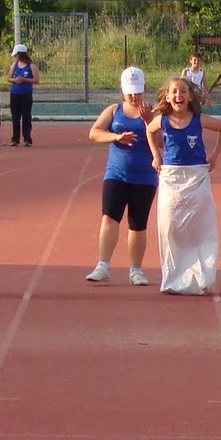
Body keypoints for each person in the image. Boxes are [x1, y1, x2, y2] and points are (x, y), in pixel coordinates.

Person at [147, 76, 221, 295]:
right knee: (169, 226)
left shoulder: (198, 119)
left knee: (199, 226)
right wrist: (156, 155)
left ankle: (201, 276)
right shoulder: (162, 120)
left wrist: (215, 157)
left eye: (183, 91)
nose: (178, 96)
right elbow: (149, 131)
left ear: (190, 96)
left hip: (197, 176)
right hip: (171, 177)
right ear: (167, 96)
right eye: (174, 92)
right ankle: (173, 278)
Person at [85, 67, 159, 286]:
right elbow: (94, 132)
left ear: (144, 89)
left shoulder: (153, 113)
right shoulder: (113, 110)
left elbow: (164, 141)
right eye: (129, 92)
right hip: (116, 174)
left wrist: (147, 121)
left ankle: (136, 270)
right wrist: (116, 137)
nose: (134, 96)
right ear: (122, 90)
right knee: (109, 217)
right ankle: (103, 265)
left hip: (144, 177)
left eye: (137, 91)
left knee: (138, 224)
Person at [6, 43, 38, 147]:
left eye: (16, 55)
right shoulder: (14, 65)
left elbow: (36, 80)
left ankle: (27, 139)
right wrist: (15, 80)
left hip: (26, 94)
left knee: (26, 116)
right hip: (15, 94)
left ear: (21, 54)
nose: (15, 57)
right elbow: (9, 78)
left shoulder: (31, 66)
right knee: (15, 116)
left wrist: (24, 79)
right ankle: (15, 139)